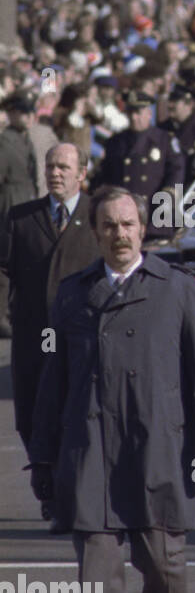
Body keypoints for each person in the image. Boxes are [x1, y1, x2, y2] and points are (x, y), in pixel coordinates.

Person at [28, 185, 195, 593]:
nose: (119, 234)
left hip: (157, 444)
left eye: (128, 224)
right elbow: (55, 379)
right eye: (109, 226)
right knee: (97, 565)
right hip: (91, 444)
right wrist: (45, 455)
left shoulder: (178, 289)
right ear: (95, 233)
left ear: (143, 229)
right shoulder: (73, 294)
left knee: (164, 560)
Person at [0, 142, 99, 460]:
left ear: (81, 174)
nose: (55, 173)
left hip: (80, 333)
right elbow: (4, 271)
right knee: (33, 408)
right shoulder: (21, 218)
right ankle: (45, 474)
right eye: (50, 166)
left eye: (63, 167)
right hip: (34, 333)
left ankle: (72, 483)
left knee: (78, 410)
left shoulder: (98, 215)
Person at [93, 90, 185, 238]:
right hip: (124, 215)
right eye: (130, 113)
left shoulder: (164, 140)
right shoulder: (116, 142)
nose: (134, 118)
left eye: (138, 113)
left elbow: (176, 171)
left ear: (149, 113)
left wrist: (167, 197)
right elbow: (106, 176)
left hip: (154, 213)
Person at [0, 93, 40, 337]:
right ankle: (1, 314)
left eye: (29, 112)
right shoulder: (5, 141)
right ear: (12, 113)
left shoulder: (26, 140)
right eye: (22, 113)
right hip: (9, 201)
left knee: (22, 257)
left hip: (26, 197)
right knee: (5, 259)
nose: (26, 117)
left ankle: (14, 311)